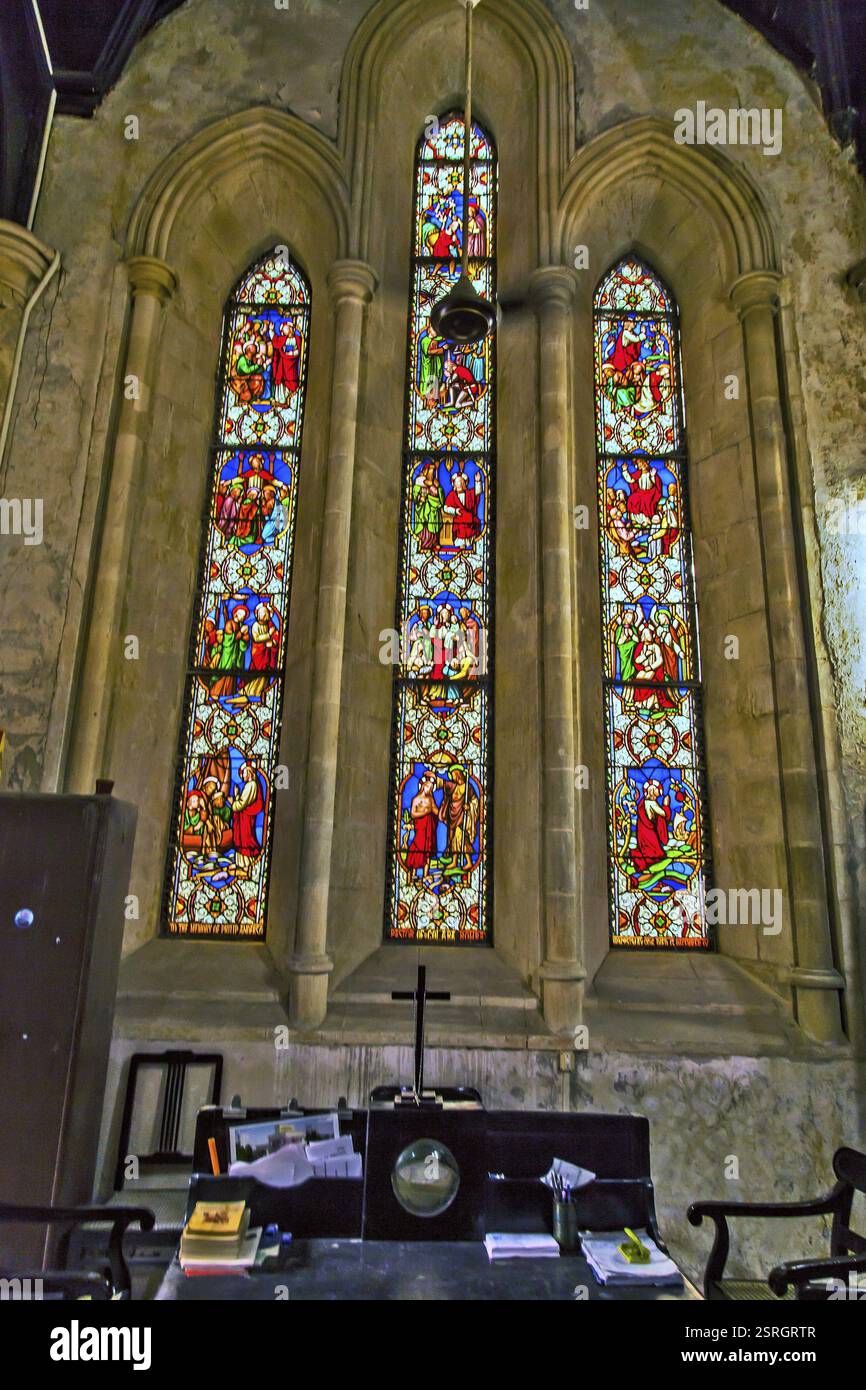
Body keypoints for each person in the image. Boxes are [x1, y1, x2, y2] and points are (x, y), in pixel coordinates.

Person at [231, 764, 264, 875]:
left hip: (246, 817)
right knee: (241, 838)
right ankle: (240, 863)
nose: (242, 775)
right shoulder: (249, 785)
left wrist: (234, 801)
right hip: (243, 817)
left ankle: (247, 865)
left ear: (250, 772)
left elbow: (242, 804)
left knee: (245, 838)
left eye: (244, 773)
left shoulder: (251, 785)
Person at [412, 461, 444, 551]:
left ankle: (434, 542)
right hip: (422, 508)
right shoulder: (419, 482)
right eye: (427, 471)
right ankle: (423, 542)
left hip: (432, 506)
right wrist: (419, 498)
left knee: (433, 524)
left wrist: (437, 488)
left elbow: (440, 497)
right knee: (424, 526)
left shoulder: (434, 482)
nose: (429, 473)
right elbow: (414, 495)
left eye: (431, 472)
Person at [271, 318, 302, 402]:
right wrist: (271, 331)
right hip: (283, 363)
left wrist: (292, 353)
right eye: (286, 330)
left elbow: (300, 350)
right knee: (281, 378)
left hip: (293, 362)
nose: (288, 331)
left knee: (292, 378)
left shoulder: (298, 339)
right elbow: (276, 342)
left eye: (289, 329)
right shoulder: (282, 339)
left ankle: (290, 395)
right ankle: (280, 398)